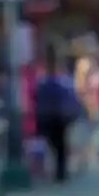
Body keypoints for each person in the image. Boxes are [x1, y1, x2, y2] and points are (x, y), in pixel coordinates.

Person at [34, 54, 82, 182]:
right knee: (60, 147)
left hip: (48, 118)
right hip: (59, 119)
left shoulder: (43, 84)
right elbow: (71, 101)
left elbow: (37, 101)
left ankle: (56, 172)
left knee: (54, 146)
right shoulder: (62, 83)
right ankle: (60, 172)